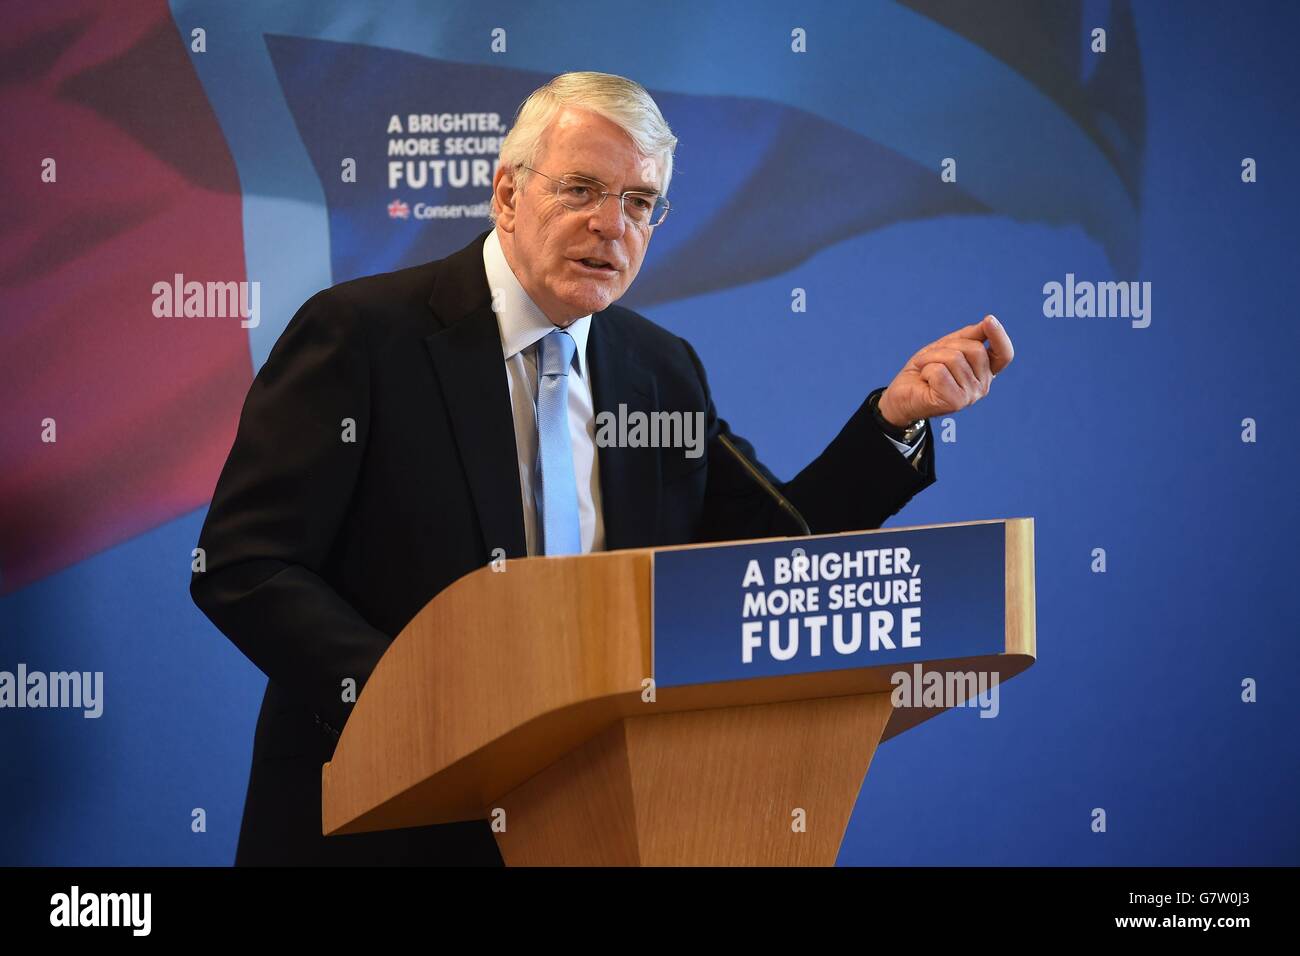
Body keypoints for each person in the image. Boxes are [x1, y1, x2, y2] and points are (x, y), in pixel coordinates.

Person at [190, 71, 1014, 866]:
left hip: (603, 818)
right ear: (508, 195)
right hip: (383, 821)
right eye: (581, 190)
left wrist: (894, 422)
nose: (612, 226)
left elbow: (773, 557)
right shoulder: (363, 338)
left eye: (640, 203)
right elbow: (245, 563)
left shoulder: (659, 370)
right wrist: (411, 706)